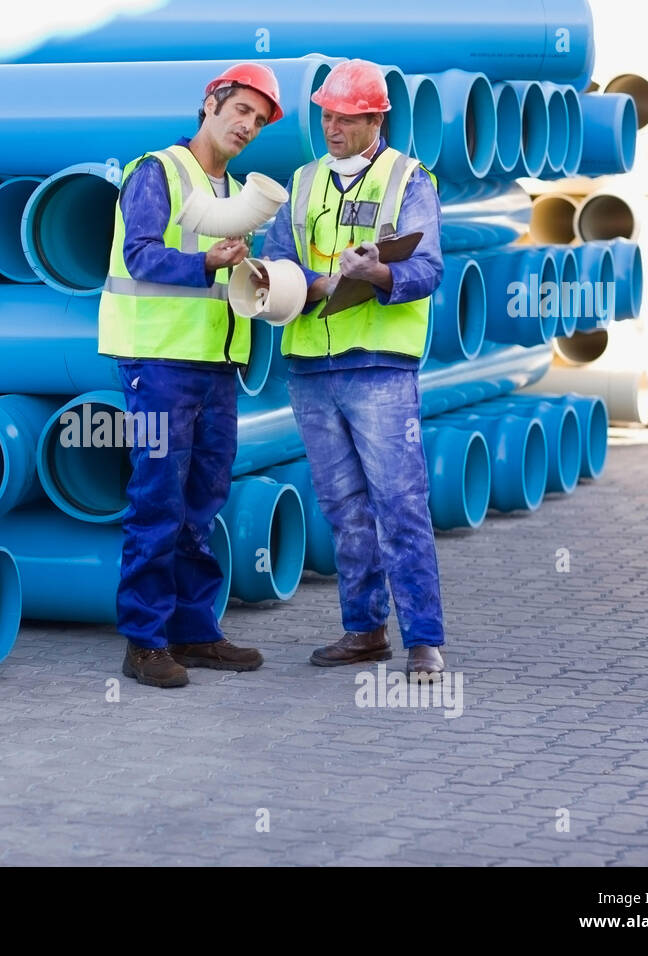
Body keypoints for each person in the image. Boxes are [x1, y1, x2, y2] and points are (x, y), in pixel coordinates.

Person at [259, 59, 448, 676]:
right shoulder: (305, 180)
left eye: (346, 119)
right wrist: (304, 285)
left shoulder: (409, 179)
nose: (333, 128)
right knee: (342, 506)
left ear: (376, 120)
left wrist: (379, 274)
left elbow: (428, 270)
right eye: (327, 116)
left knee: (400, 502)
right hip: (312, 366)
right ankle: (363, 631)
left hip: (379, 369)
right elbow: (279, 260)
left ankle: (424, 640)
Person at [97, 63, 283, 688]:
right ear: (211, 104)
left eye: (259, 121)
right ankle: (144, 642)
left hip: (215, 363)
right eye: (242, 112)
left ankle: (194, 630)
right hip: (159, 362)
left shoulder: (232, 192)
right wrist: (206, 259)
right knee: (158, 499)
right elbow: (141, 255)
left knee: (202, 501)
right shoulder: (158, 171)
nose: (248, 126)